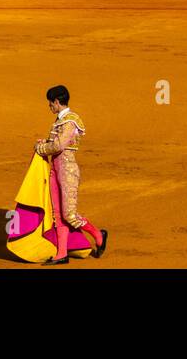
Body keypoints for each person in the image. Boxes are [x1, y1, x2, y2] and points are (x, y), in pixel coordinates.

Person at [33, 85, 107, 264]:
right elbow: (55, 142)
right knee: (57, 214)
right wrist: (45, 142)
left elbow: (58, 146)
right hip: (55, 169)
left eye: (50, 103)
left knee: (69, 214)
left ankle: (98, 234)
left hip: (67, 169)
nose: (49, 106)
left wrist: (40, 148)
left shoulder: (71, 120)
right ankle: (62, 254)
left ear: (57, 102)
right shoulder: (60, 121)